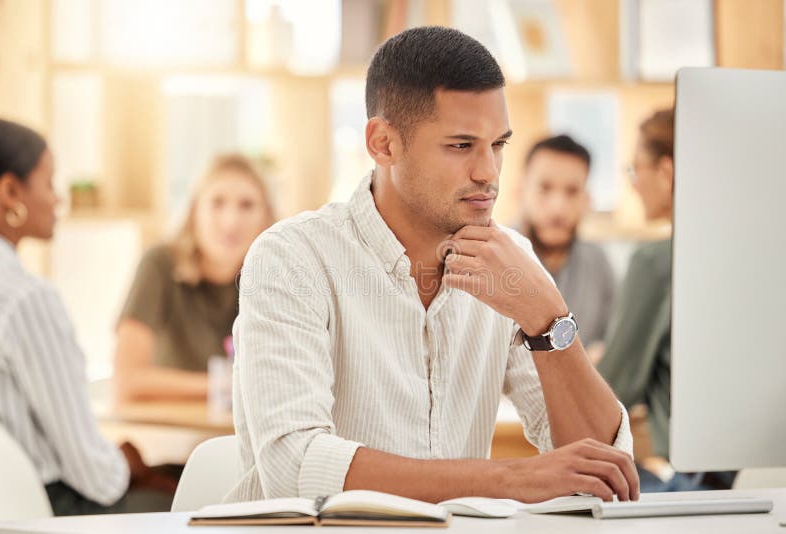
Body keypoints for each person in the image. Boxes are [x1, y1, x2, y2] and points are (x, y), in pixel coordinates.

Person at [228, 26, 638, 505]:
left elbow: (603, 470)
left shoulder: (513, 264)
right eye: (462, 145)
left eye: (499, 144)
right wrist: (509, 480)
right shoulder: (291, 258)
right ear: (383, 143)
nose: (488, 172)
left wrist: (549, 318)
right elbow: (293, 465)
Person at [0, 118, 175, 515]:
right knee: (193, 494)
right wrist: (128, 466)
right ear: (9, 191)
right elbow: (95, 476)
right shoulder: (24, 299)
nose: (58, 199)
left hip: (0, 506)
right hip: (48, 508)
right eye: (50, 183)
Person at [596, 109, 735, 492]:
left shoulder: (656, 260)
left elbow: (614, 389)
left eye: (635, 168)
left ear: (667, 172)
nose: (633, 184)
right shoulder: (743, 251)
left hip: (697, 480)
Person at [113, 154, 275, 401]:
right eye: (217, 203)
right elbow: (126, 381)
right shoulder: (159, 265)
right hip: (172, 431)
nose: (231, 222)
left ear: (267, 218)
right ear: (194, 212)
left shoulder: (274, 276)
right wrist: (224, 384)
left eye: (247, 205)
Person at [519, 135, 615, 352]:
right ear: (522, 190)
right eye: (544, 188)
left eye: (572, 192)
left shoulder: (599, 263)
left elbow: (610, 344)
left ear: (587, 199)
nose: (558, 208)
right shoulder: (490, 256)